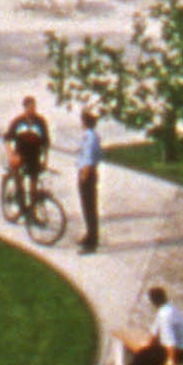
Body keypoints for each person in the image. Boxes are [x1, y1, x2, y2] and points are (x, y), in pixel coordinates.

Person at [109, 282, 183, 365]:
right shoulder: (166, 310)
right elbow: (155, 333)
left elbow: (170, 341)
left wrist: (170, 361)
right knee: (143, 354)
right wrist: (148, 347)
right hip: (177, 350)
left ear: (153, 301)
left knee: (148, 358)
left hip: (182, 353)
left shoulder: (166, 314)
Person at [2, 94, 50, 199]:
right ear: (25, 108)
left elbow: (46, 142)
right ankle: (20, 196)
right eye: (30, 108)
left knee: (34, 189)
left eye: (34, 108)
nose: (32, 111)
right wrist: (10, 155)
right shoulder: (17, 122)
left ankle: (32, 209)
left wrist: (45, 159)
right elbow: (7, 139)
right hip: (20, 154)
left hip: (35, 155)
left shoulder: (41, 122)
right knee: (18, 178)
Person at [74, 100, 103, 253]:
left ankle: (92, 242)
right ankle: (89, 234)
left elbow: (89, 158)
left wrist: (84, 175)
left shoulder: (90, 137)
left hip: (87, 174)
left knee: (90, 208)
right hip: (87, 172)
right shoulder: (90, 135)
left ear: (85, 121)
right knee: (87, 207)